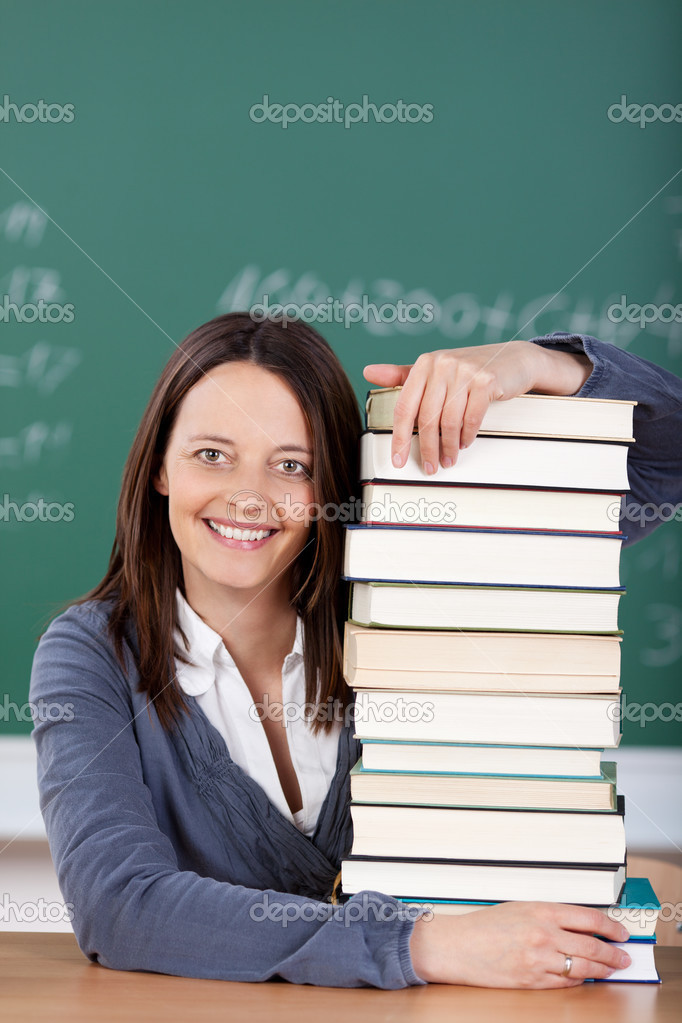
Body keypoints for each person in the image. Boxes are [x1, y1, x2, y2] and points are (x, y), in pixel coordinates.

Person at [29, 313, 682, 990]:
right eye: (212, 454)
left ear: (330, 488)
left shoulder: (406, 598)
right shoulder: (92, 655)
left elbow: (670, 452)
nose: (250, 496)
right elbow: (121, 906)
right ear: (160, 465)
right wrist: (421, 944)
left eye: (291, 465)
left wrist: (537, 364)